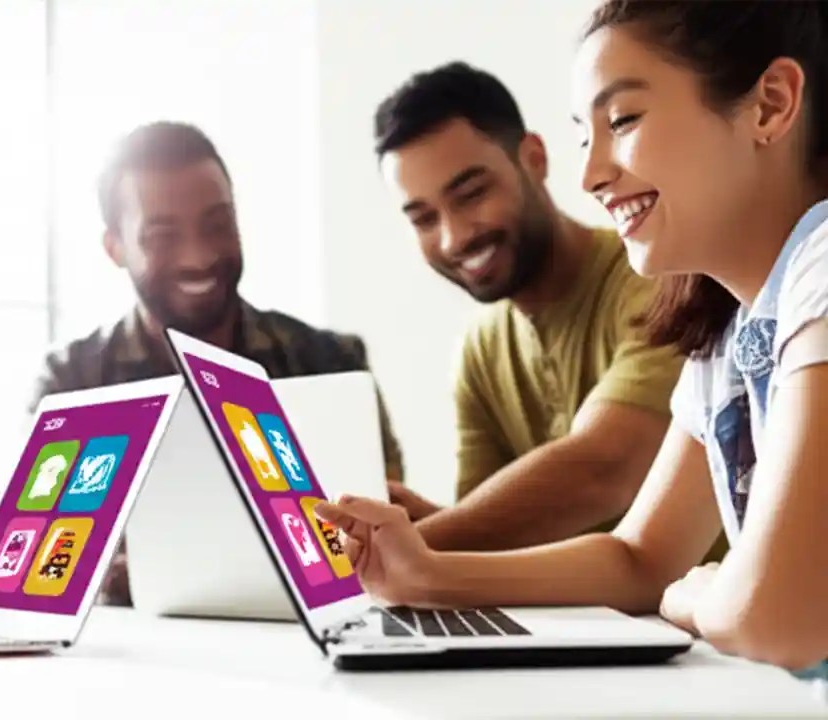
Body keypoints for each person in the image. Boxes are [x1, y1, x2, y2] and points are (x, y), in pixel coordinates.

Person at [318, 0, 828, 675]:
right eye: (585, 139)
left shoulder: (820, 266)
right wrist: (422, 574)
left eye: (623, 120)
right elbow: (640, 557)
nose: (589, 176)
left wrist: (699, 594)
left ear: (769, 104)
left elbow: (776, 620)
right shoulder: (727, 333)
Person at [32, 121, 405, 605]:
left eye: (217, 224)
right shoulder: (72, 381)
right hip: (130, 654)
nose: (199, 256)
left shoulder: (329, 360)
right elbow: (43, 553)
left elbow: (390, 524)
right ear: (115, 248)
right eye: (162, 236)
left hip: (315, 639)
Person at [370, 62, 711, 554]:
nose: (454, 236)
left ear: (533, 158)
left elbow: (606, 468)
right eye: (423, 218)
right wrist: (416, 528)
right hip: (574, 625)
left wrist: (379, 555)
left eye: (471, 194)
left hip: (697, 623)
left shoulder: (660, 279)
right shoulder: (479, 351)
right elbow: (485, 538)